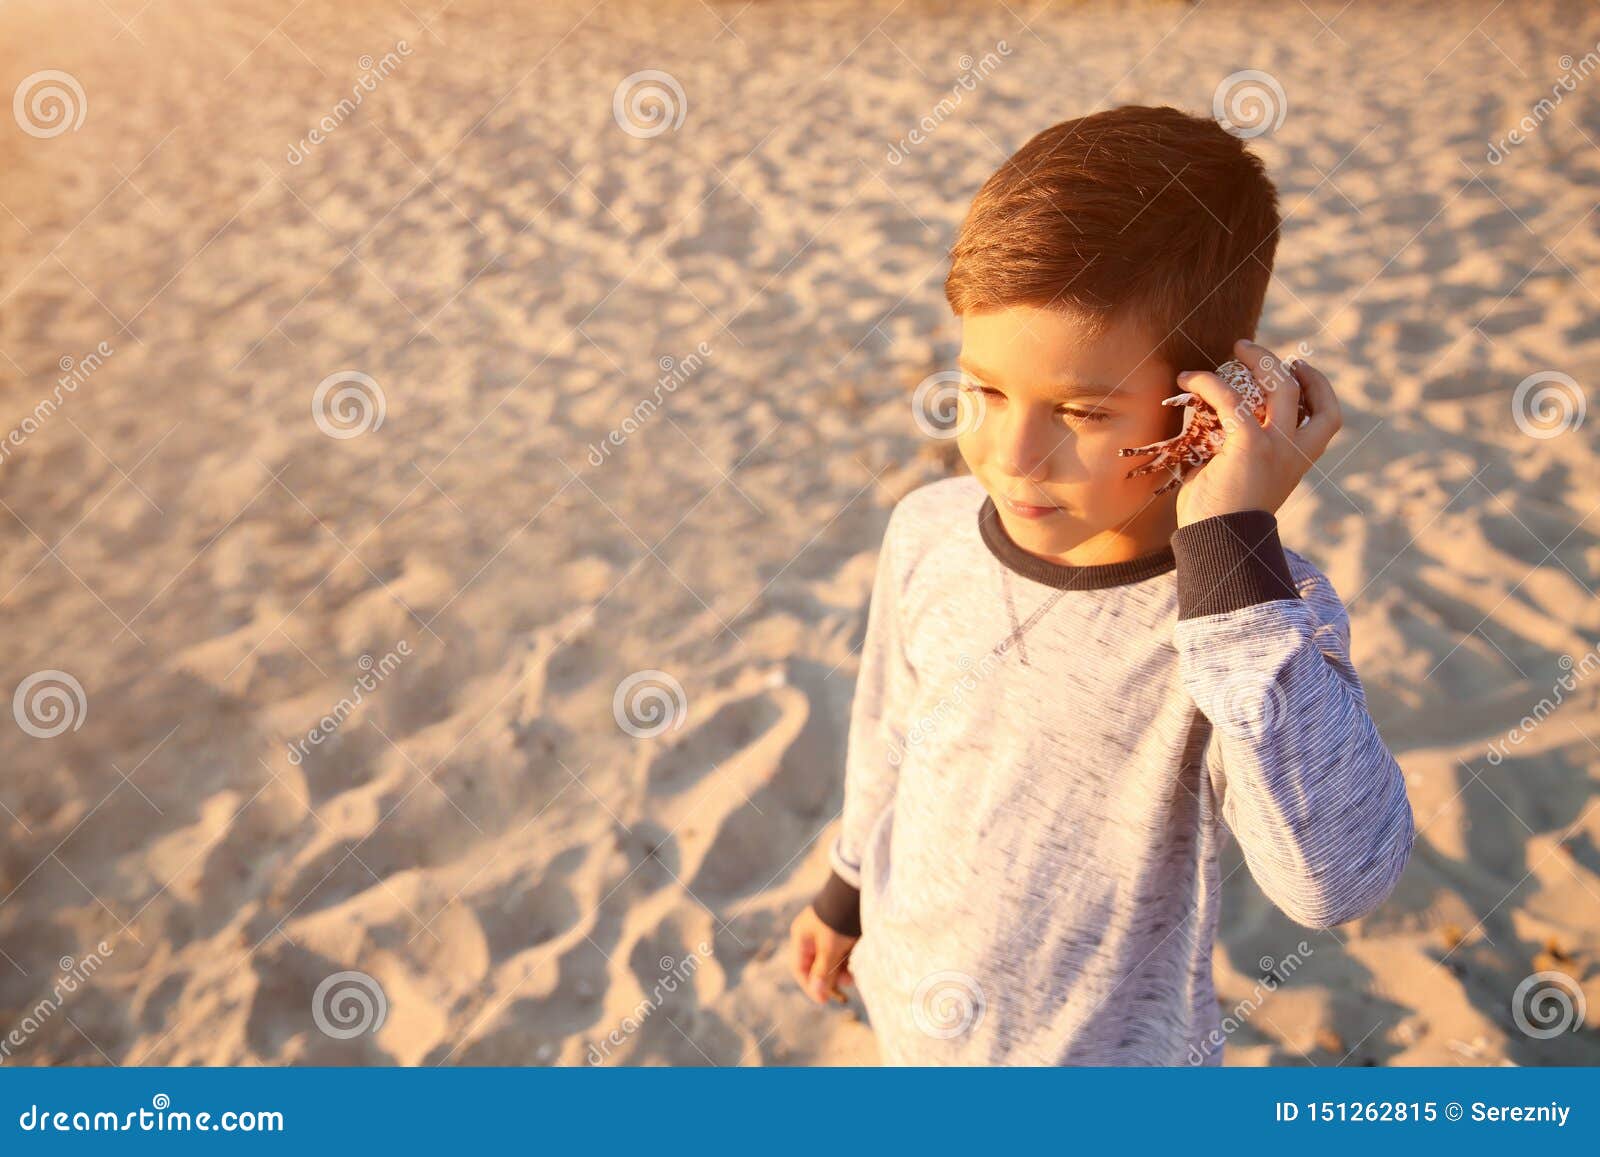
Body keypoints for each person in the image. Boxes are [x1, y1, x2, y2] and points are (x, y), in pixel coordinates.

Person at [787, 104, 1414, 1065]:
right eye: (984, 390)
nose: (1012, 455)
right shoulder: (929, 530)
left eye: (1080, 409)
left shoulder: (1251, 622)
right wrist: (844, 892)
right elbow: (891, 734)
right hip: (911, 1014)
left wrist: (1236, 558)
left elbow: (1337, 878)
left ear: (1207, 412)